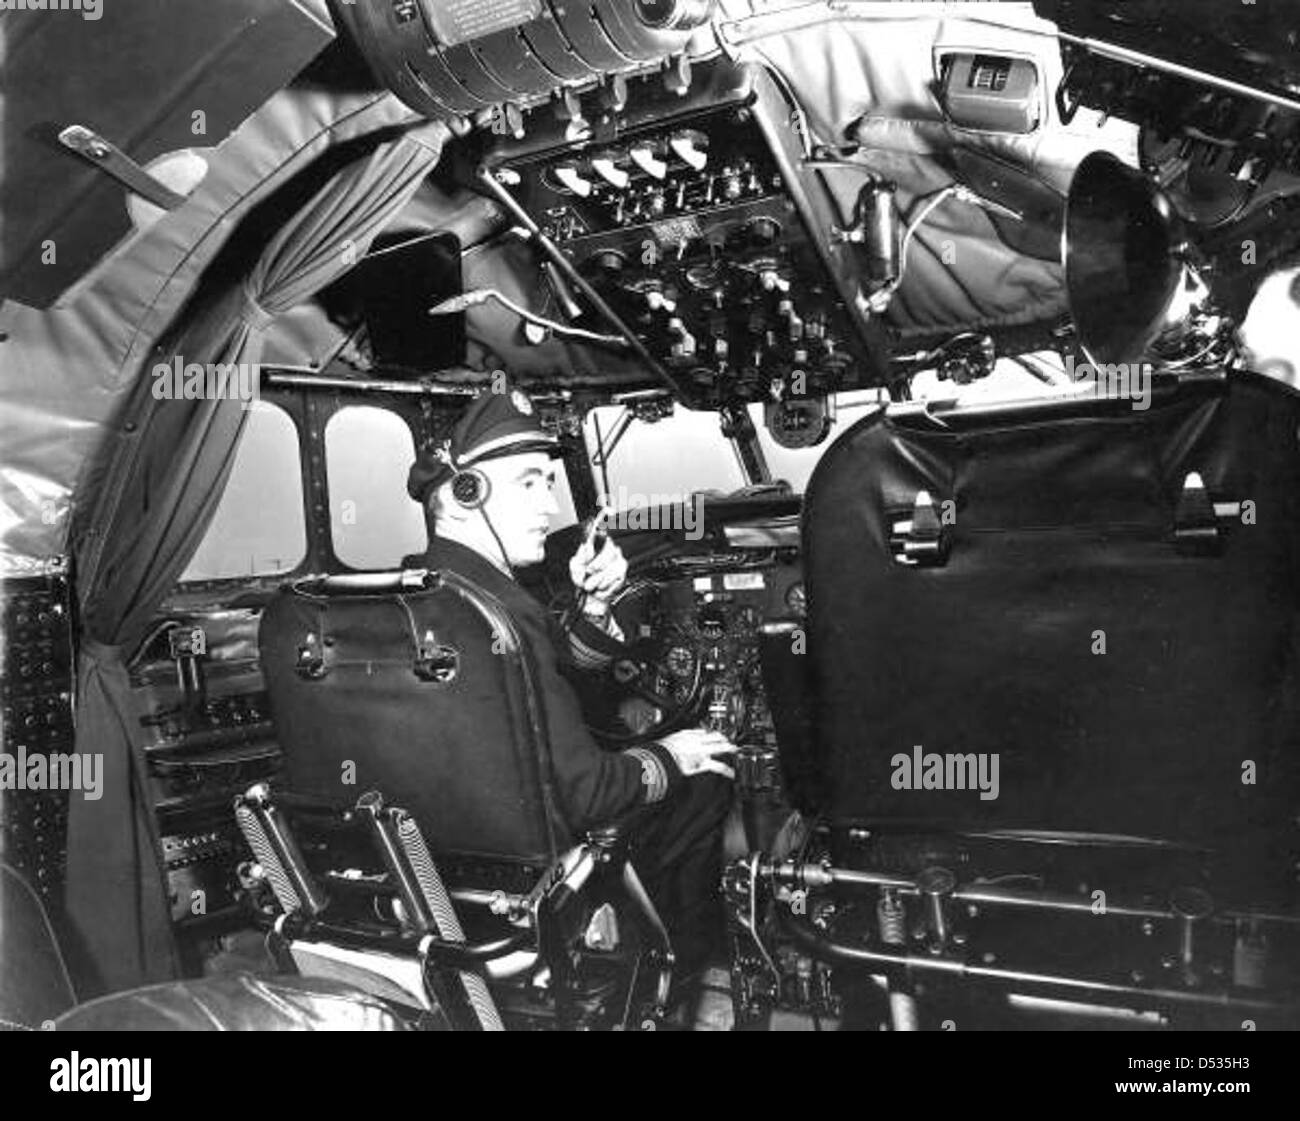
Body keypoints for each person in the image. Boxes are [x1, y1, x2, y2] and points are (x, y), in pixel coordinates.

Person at [405, 382, 735, 977]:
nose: (548, 508)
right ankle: (674, 979)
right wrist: (672, 754)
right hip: (534, 873)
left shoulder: (427, 597)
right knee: (706, 785)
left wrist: (596, 605)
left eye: (549, 485)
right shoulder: (495, 615)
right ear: (463, 493)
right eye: (528, 484)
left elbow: (538, 676)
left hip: (427, 869)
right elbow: (590, 795)